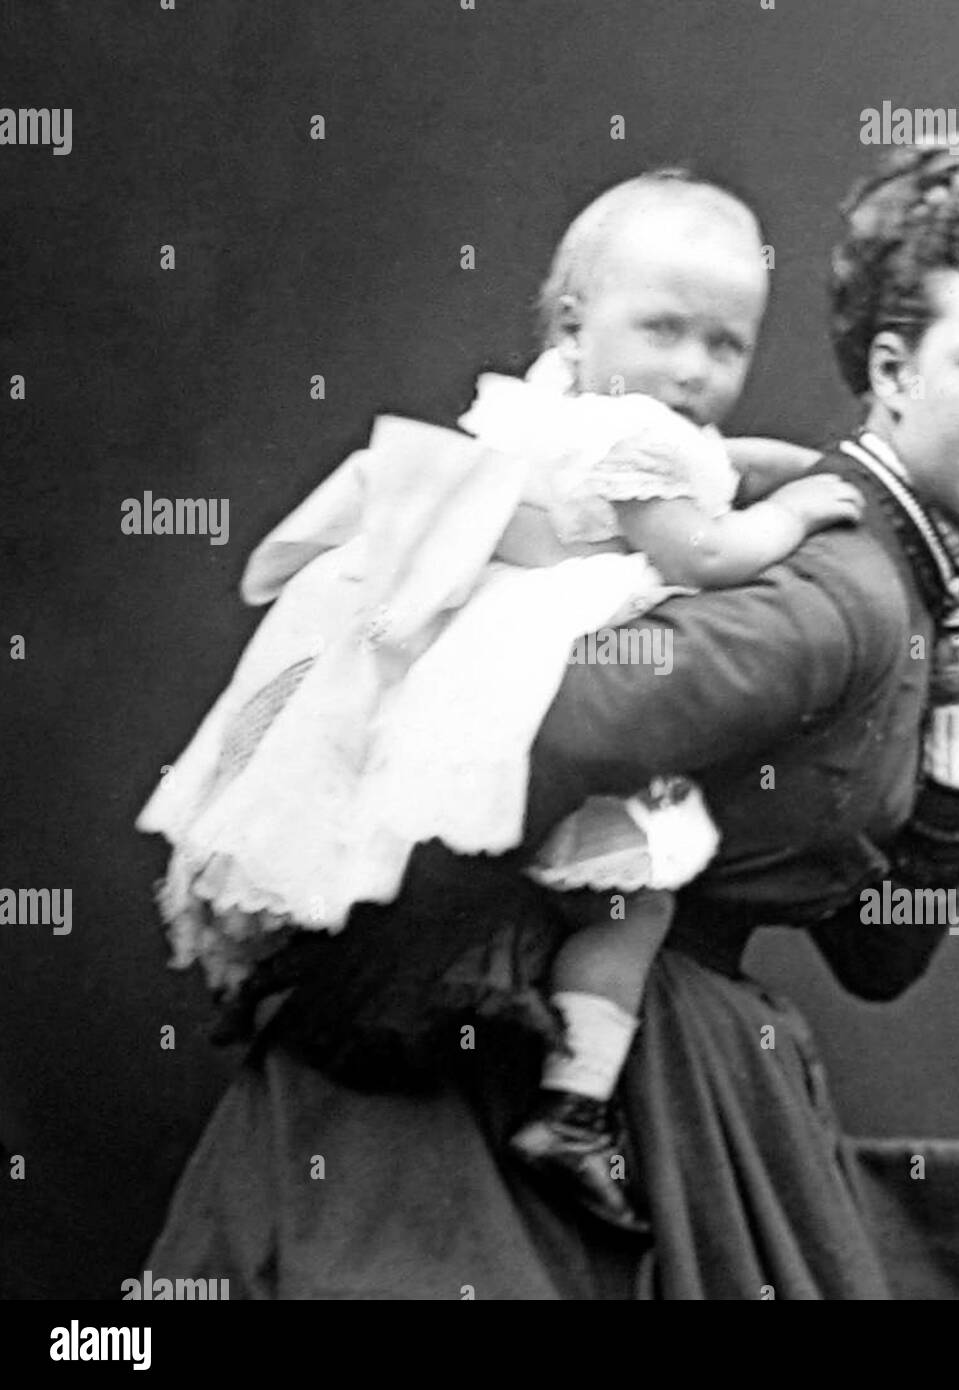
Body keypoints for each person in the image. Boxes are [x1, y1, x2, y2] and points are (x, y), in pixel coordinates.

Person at [145, 134, 959, 1298]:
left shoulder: (894, 582)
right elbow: (553, 726)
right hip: (513, 1086)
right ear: (898, 368)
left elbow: (880, 947)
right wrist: (369, 998)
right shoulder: (839, 587)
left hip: (689, 1089)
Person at [136, 170, 865, 1229]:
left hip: (459, 652)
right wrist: (794, 511)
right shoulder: (641, 442)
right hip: (522, 670)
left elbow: (699, 465)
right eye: (663, 329)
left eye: (726, 345)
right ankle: (575, 1101)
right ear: (576, 318)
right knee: (634, 894)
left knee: (456, 861)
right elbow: (704, 547)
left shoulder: (547, 407)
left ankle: (398, 989)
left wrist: (764, 463)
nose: (694, 369)